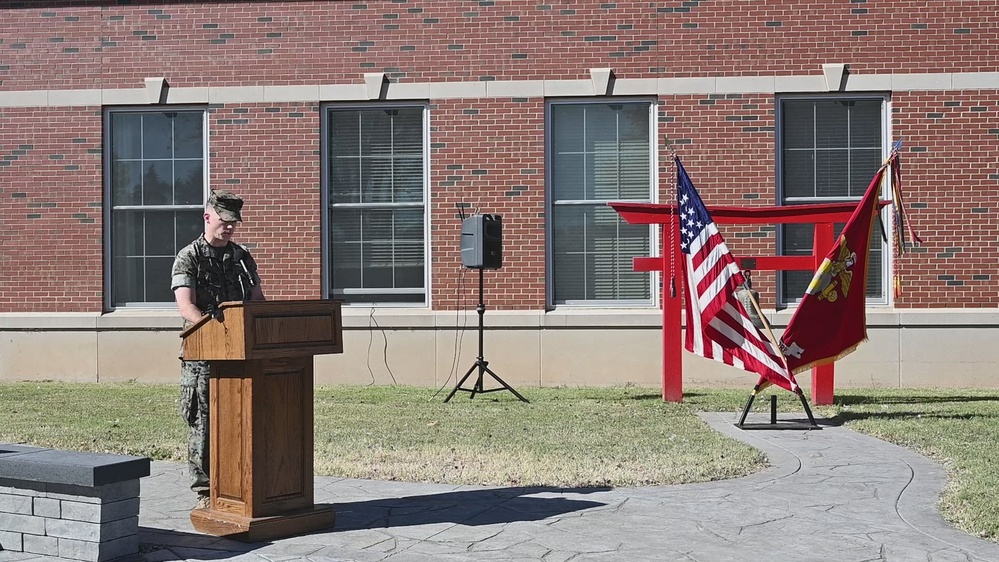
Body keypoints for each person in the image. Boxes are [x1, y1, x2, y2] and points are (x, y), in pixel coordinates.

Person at [170, 190, 266, 508]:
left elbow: (256, 297)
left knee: (240, 417)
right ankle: (204, 490)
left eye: (233, 223)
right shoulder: (190, 256)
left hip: (240, 353)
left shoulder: (241, 257)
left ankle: (238, 483)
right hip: (204, 355)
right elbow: (187, 306)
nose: (229, 228)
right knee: (203, 420)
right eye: (224, 221)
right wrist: (214, 334)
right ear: (208, 217)